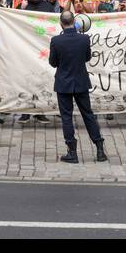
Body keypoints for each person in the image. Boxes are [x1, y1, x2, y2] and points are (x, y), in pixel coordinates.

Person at [49, 9, 107, 163]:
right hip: (80, 81)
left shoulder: (56, 41)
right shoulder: (84, 39)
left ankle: (72, 152)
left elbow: (53, 62)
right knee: (88, 114)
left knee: (66, 117)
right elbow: (87, 57)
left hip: (63, 82)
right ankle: (99, 148)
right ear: (74, 22)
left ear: (61, 23)